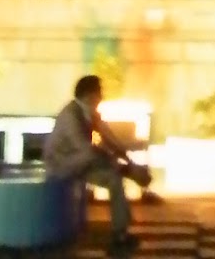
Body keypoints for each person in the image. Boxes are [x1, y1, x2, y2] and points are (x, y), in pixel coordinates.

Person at [43, 74, 144, 253]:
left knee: (114, 180)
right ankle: (123, 172)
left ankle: (120, 233)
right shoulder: (70, 115)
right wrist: (120, 164)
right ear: (90, 95)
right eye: (100, 93)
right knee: (96, 156)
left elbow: (109, 137)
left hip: (80, 164)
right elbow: (84, 149)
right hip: (61, 166)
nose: (102, 97)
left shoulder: (89, 112)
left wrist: (129, 160)